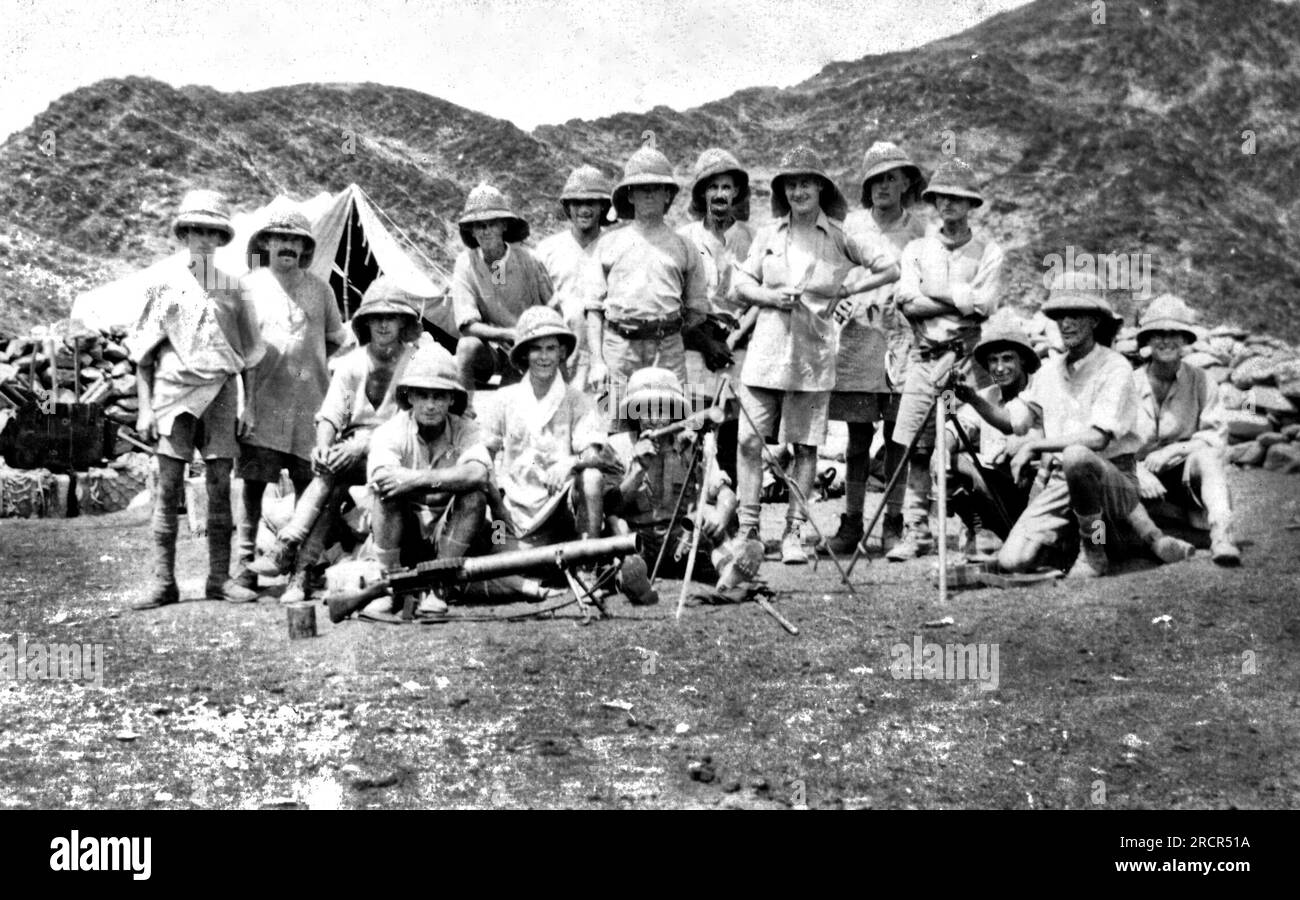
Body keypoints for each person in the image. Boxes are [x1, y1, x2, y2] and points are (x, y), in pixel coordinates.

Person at [732, 146, 899, 565]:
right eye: (791, 184)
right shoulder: (769, 235)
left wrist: (848, 289)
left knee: (805, 446)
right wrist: (769, 297)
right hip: (767, 353)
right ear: (782, 191)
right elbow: (740, 284)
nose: (799, 191)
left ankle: (794, 531)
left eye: (807, 182)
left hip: (813, 356)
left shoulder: (840, 236)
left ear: (821, 188)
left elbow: (889, 268)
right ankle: (749, 530)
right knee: (750, 439)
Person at [998, 275, 1195, 577]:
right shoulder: (1049, 371)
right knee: (1013, 562)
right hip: (1062, 482)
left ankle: (1094, 549)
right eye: (1060, 316)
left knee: (1078, 456)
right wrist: (968, 396)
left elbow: (1097, 439)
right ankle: (1134, 538)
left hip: (1114, 476)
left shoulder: (1115, 367)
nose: (1066, 323)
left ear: (1094, 321)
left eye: (1076, 315)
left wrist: (1034, 446)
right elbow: (1014, 422)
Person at [129, 189, 266, 609]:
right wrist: (145, 407)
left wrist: (251, 405)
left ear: (222, 237)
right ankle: (163, 582)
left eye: (213, 232)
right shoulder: (163, 284)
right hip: (172, 392)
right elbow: (142, 355)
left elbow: (250, 355)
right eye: (196, 231)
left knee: (221, 484)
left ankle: (218, 579)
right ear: (184, 233)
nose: (204, 239)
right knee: (169, 487)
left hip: (222, 392)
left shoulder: (234, 288)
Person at [247, 277, 422, 601]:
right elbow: (331, 412)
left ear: (403, 323)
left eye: (391, 317)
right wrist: (324, 445)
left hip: (403, 450)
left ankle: (290, 550)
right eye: (376, 317)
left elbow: (413, 418)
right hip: (354, 452)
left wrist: (366, 442)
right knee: (331, 470)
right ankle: (298, 571)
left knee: (336, 475)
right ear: (365, 323)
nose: (383, 325)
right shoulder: (353, 362)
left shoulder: (415, 361)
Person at [230, 201, 350, 601]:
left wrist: (313, 369)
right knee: (252, 487)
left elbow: (336, 339)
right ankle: (243, 568)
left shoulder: (321, 290)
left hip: (309, 405)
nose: (287, 246)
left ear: (305, 248)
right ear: (265, 242)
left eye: (295, 240)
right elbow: (239, 351)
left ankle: (302, 570)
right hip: (263, 403)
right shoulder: (247, 287)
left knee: (310, 486)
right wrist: (244, 403)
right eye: (279, 238)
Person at [888, 158, 1005, 561]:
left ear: (971, 203)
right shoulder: (917, 249)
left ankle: (975, 526)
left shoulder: (989, 251)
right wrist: (959, 298)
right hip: (923, 357)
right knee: (917, 448)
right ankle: (916, 530)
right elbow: (907, 302)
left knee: (960, 445)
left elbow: (986, 306)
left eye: (958, 197)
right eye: (942, 197)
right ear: (933, 200)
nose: (949, 204)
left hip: (966, 359)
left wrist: (934, 292)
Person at [830, 141, 928, 554]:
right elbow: (836, 276)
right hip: (858, 340)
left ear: (906, 181)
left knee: (897, 434)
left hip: (903, 337)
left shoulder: (920, 230)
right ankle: (852, 521)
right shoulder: (850, 225)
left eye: (891, 177)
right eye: (875, 179)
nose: (883, 186)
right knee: (856, 438)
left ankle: (893, 521)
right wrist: (844, 297)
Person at [365, 343, 494, 617]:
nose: (431, 405)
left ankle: (439, 586)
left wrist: (414, 479)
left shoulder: (466, 429)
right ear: (409, 396)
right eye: (423, 395)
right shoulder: (390, 431)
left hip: (449, 534)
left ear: (451, 400)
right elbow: (383, 479)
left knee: (474, 495)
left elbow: (477, 473)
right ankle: (391, 584)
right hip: (404, 535)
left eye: (439, 396)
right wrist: (440, 481)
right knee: (385, 494)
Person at [608, 367, 755, 591]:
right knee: (615, 522)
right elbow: (612, 507)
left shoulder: (692, 446)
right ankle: (630, 575)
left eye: (662, 408)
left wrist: (721, 516)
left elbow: (725, 492)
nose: (654, 417)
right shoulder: (620, 446)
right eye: (644, 408)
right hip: (638, 541)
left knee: (705, 511)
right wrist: (638, 469)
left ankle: (729, 569)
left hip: (682, 539)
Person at [585, 134, 708, 395]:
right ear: (629, 196)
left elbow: (697, 309)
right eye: (641, 188)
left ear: (667, 195)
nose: (649, 193)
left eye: (657, 187)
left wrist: (664, 329)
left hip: (668, 350)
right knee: (615, 426)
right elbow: (594, 310)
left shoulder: (685, 247)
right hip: (619, 350)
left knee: (672, 425)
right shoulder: (608, 244)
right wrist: (597, 361)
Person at [480, 305, 611, 545]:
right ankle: (524, 576)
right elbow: (483, 457)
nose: (544, 357)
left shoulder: (578, 401)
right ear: (523, 354)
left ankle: (587, 558)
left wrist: (570, 463)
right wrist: (497, 503)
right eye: (536, 349)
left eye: (551, 349)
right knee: (495, 564)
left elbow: (594, 455)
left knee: (591, 478)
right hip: (510, 508)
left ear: (562, 352)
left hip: (559, 507)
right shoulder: (503, 398)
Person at [1131, 294, 1240, 565]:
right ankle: (1154, 537)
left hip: (1181, 480)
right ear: (1147, 340)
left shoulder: (1201, 381)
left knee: (1208, 457)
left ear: (1185, 340)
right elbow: (1111, 443)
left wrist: (1173, 450)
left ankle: (1221, 536)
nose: (1166, 341)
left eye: (1174, 334)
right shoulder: (1128, 383)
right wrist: (1138, 471)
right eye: (1158, 334)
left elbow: (1215, 437)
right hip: (1135, 481)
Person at [677, 147, 756, 483]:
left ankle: (731, 519)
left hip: (739, 347)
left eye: (726, 187)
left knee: (734, 437)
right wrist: (705, 342)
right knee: (695, 429)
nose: (720, 194)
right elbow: (676, 300)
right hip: (696, 347)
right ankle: (695, 515)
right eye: (712, 187)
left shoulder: (752, 238)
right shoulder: (684, 238)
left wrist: (734, 338)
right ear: (702, 193)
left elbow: (760, 297)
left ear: (737, 191)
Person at [450, 183, 554, 409]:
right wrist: (505, 333)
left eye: (492, 224)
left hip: (528, 347)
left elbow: (552, 307)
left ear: (504, 225)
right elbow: (467, 325)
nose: (485, 231)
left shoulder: (528, 260)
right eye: (479, 225)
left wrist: (527, 336)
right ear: (471, 230)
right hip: (495, 349)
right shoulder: (465, 264)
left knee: (516, 409)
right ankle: (465, 412)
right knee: (466, 347)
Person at [945, 315, 1042, 550]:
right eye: (993, 360)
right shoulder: (988, 395)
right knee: (950, 459)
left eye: (1007, 359)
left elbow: (1021, 429)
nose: (999, 367)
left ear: (1023, 361)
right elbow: (956, 426)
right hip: (996, 489)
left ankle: (1093, 540)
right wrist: (943, 451)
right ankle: (981, 529)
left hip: (1033, 489)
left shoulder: (1040, 390)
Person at [534, 165, 613, 388]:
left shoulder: (616, 246)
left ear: (603, 206)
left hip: (605, 355)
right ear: (568, 207)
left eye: (591, 203)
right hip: (560, 353)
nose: (584, 209)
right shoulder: (547, 250)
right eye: (577, 203)